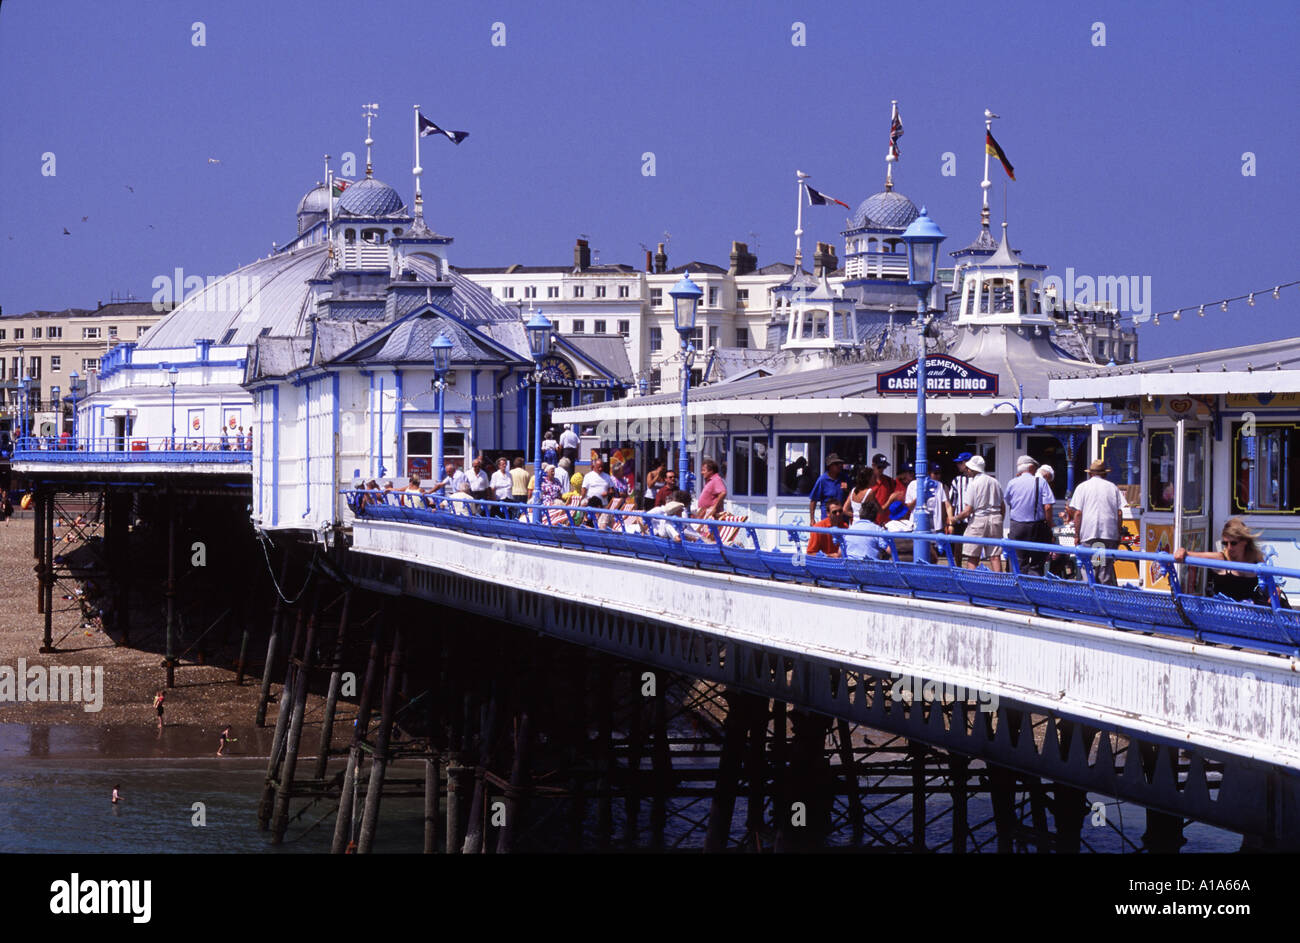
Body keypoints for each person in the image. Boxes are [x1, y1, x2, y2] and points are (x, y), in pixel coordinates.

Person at [1174, 517, 1287, 606]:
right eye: (1225, 543)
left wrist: (1275, 590)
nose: (1229, 548)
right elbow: (1191, 555)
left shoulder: (1255, 558)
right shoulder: (1221, 559)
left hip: (1250, 612)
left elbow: (1269, 581)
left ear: (1244, 542)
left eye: (1233, 543)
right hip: (1225, 613)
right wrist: (1182, 551)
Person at [1067, 458, 1124, 585]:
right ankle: (1104, 598)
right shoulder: (1112, 487)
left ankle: (1091, 596)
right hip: (1108, 534)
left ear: (1090, 473)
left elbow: (1078, 513)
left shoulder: (1082, 487)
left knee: (1089, 567)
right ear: (1105, 474)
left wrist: (1077, 535)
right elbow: (1119, 512)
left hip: (1089, 533)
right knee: (1103, 568)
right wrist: (1118, 533)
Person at [1003, 455, 1054, 575]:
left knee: (1018, 561)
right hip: (1036, 526)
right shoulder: (1041, 482)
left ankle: (1019, 589)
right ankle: (1034, 587)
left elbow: (1008, 501)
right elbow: (1048, 506)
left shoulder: (1012, 483)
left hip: (1017, 526)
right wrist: (1050, 523)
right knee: (1037, 561)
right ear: (1031, 467)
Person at [955, 454, 1005, 571]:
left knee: (973, 556)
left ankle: (971, 584)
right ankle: (1000, 585)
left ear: (972, 469)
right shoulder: (995, 482)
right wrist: (1000, 519)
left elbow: (968, 511)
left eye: (968, 468)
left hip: (979, 519)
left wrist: (955, 518)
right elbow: (1003, 506)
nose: (967, 471)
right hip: (996, 519)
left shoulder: (973, 484)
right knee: (995, 556)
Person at [807, 453, 849, 524]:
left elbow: (852, 496)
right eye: (836, 464)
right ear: (830, 466)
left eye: (840, 463)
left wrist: (847, 490)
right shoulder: (822, 480)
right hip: (828, 519)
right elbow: (813, 501)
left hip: (842, 519)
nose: (839, 466)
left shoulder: (845, 478)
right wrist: (812, 519)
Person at [947, 453, 973, 564]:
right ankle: (958, 567)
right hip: (960, 518)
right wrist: (951, 521)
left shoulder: (977, 479)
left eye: (960, 462)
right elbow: (952, 502)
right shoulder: (957, 480)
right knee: (958, 544)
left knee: (974, 546)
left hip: (973, 518)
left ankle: (972, 569)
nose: (958, 465)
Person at [869, 454, 896, 525]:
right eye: (879, 467)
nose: (882, 469)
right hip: (872, 522)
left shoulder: (889, 481)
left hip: (886, 522)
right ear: (873, 465)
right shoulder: (867, 482)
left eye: (884, 467)